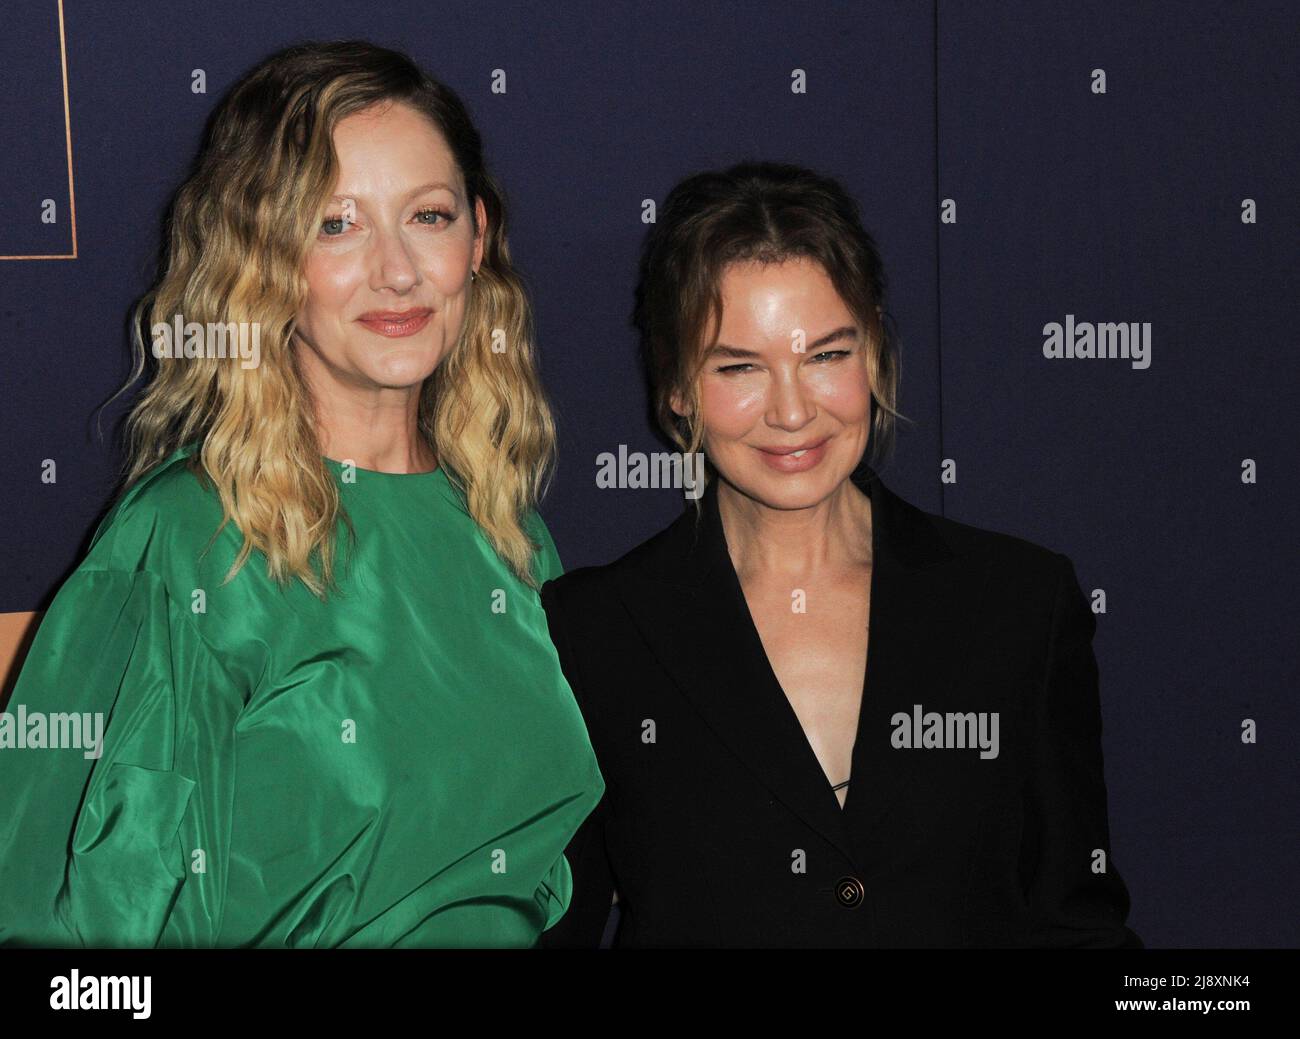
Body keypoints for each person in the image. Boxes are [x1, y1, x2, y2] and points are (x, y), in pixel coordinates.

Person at [0, 40, 603, 948]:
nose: (396, 270)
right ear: (261, 258)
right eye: (336, 224)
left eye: (428, 217)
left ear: (478, 238)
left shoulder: (508, 530)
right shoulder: (186, 540)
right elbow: (72, 947)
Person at [536, 161, 1140, 948]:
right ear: (677, 385)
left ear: (875, 352)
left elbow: (1078, 926)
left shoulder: (1021, 605)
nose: (793, 411)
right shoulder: (592, 633)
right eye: (740, 366)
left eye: (826, 354)